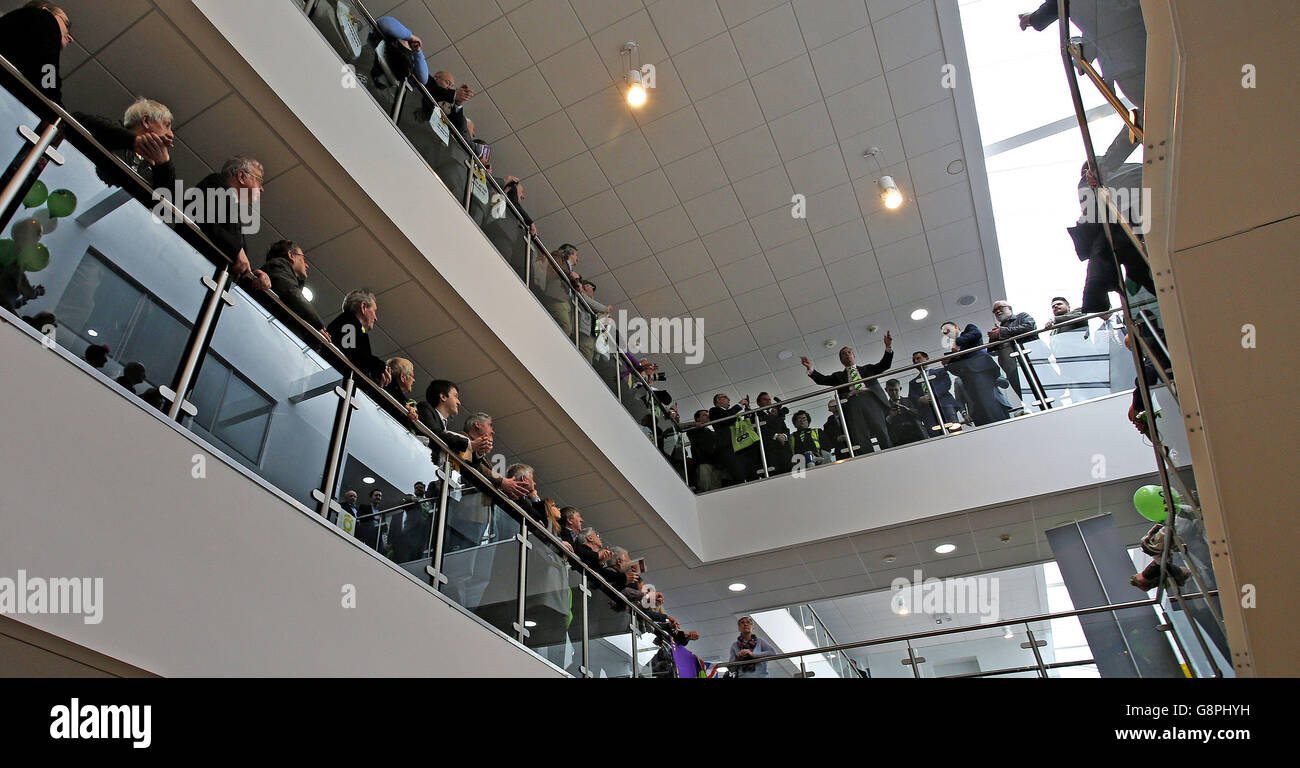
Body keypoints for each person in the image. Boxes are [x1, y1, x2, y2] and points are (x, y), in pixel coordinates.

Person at [801, 333, 895, 454]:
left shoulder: (868, 369)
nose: (847, 355)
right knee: (860, 434)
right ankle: (868, 456)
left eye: (849, 352)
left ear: (854, 356)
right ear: (841, 360)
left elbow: (885, 365)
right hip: (852, 403)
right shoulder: (838, 376)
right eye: (843, 354)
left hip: (870, 399)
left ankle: (890, 452)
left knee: (880, 428)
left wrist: (888, 347)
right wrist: (810, 368)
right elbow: (822, 380)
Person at [192, 156, 270, 292]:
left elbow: (240, 263)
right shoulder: (216, 183)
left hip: (205, 284)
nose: (261, 188)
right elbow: (202, 217)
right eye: (259, 180)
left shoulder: (235, 212)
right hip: (193, 272)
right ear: (241, 176)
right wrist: (236, 249)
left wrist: (256, 276)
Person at [73, 97, 175, 191]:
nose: (171, 135)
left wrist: (164, 165)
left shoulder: (151, 168)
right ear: (146, 121)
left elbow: (165, 203)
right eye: (166, 125)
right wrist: (134, 141)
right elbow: (77, 120)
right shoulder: (109, 132)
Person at [0, 1, 71, 105]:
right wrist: (56, 108)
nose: (70, 38)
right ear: (45, 10)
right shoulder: (45, 18)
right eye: (66, 24)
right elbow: (48, 78)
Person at [940, 322, 1010, 426]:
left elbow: (976, 334)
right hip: (969, 379)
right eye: (944, 333)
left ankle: (999, 425)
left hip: (980, 370)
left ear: (955, 327)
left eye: (947, 330)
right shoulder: (956, 348)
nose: (947, 334)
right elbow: (957, 371)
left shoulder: (969, 329)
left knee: (989, 404)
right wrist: (949, 362)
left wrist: (956, 346)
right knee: (980, 406)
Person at [261, 240, 327, 337]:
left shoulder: (286, 277)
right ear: (291, 256)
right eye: (303, 259)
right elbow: (292, 294)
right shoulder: (277, 266)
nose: (306, 265)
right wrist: (318, 325)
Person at [326, 290, 390, 386]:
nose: (376, 318)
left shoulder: (349, 325)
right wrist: (378, 366)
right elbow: (352, 353)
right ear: (363, 307)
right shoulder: (348, 323)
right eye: (374, 311)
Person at [986, 300, 1037, 399]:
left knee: (1042, 391)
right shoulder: (998, 330)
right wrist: (993, 337)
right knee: (1026, 398)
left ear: (1009, 308)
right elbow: (992, 352)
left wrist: (1002, 332)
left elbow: (1030, 327)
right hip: (1012, 371)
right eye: (995, 310)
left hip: (1030, 363)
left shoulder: (1021, 316)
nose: (997, 311)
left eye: (1000, 307)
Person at [710, 392, 758, 485]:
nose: (729, 399)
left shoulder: (729, 413)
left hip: (740, 445)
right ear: (718, 400)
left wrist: (747, 413)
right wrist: (739, 405)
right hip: (728, 447)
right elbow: (726, 418)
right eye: (725, 397)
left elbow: (738, 424)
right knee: (737, 473)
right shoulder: (714, 410)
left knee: (747, 470)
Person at [907, 351, 960, 435]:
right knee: (935, 434)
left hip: (945, 405)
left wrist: (933, 395)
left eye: (918, 358)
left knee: (955, 430)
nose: (916, 361)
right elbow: (911, 396)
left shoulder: (940, 372)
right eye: (914, 360)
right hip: (928, 411)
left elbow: (946, 385)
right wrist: (920, 399)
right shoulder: (913, 382)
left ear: (926, 359)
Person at [417, 379, 468, 455]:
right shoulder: (424, 407)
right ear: (443, 397)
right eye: (455, 396)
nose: (459, 403)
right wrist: (468, 444)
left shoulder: (445, 426)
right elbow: (434, 433)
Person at [542, 244, 580, 336]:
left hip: (564, 301)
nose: (577, 259)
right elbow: (557, 267)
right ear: (570, 254)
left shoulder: (568, 268)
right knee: (566, 328)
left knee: (563, 327)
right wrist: (570, 275)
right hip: (556, 298)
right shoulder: (557, 256)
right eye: (576, 255)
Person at [684, 410, 723, 491]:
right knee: (705, 488)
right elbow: (680, 427)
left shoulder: (711, 432)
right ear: (697, 419)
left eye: (707, 415)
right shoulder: (693, 430)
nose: (707, 416)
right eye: (704, 415)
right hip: (703, 463)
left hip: (716, 463)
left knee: (716, 488)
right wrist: (693, 424)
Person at [754, 392, 791, 476]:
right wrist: (776, 436)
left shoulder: (776, 414)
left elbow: (785, 429)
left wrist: (784, 436)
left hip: (784, 453)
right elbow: (758, 431)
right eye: (764, 399)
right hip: (769, 454)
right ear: (758, 403)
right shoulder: (755, 415)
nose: (768, 401)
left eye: (769, 399)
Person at [884, 378, 926, 446]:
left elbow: (921, 415)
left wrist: (908, 409)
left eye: (896, 390)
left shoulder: (911, 400)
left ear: (900, 388)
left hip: (917, 434)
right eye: (891, 390)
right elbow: (883, 426)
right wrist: (890, 416)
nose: (894, 393)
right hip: (898, 439)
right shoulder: (884, 406)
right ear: (886, 390)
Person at [384, 357, 420, 425]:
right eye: (412, 376)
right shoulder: (387, 390)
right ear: (403, 377)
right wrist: (406, 407)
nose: (414, 380)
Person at [355, 488, 386, 554]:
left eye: (380, 496)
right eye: (376, 495)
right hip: (366, 536)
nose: (378, 497)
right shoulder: (364, 507)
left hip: (377, 540)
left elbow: (383, 528)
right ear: (371, 497)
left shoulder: (382, 512)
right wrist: (374, 519)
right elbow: (360, 517)